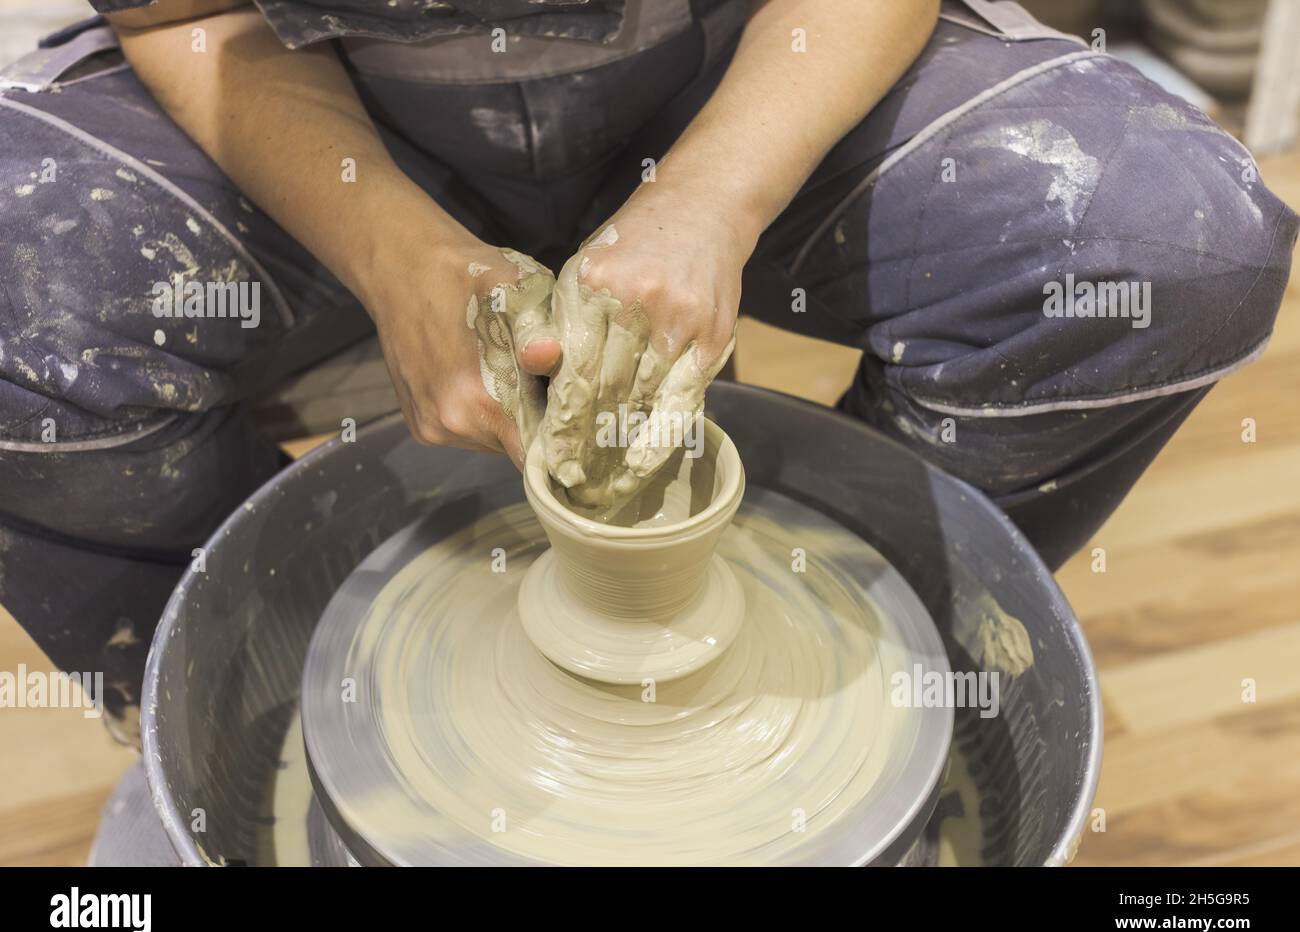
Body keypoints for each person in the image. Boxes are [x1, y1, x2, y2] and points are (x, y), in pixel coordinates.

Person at [0, 0, 1294, 742]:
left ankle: (847, 658)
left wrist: (716, 197)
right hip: (341, 111)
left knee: (1170, 245)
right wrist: (391, 252)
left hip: (742, 68)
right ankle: (302, 699)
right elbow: (190, 12)